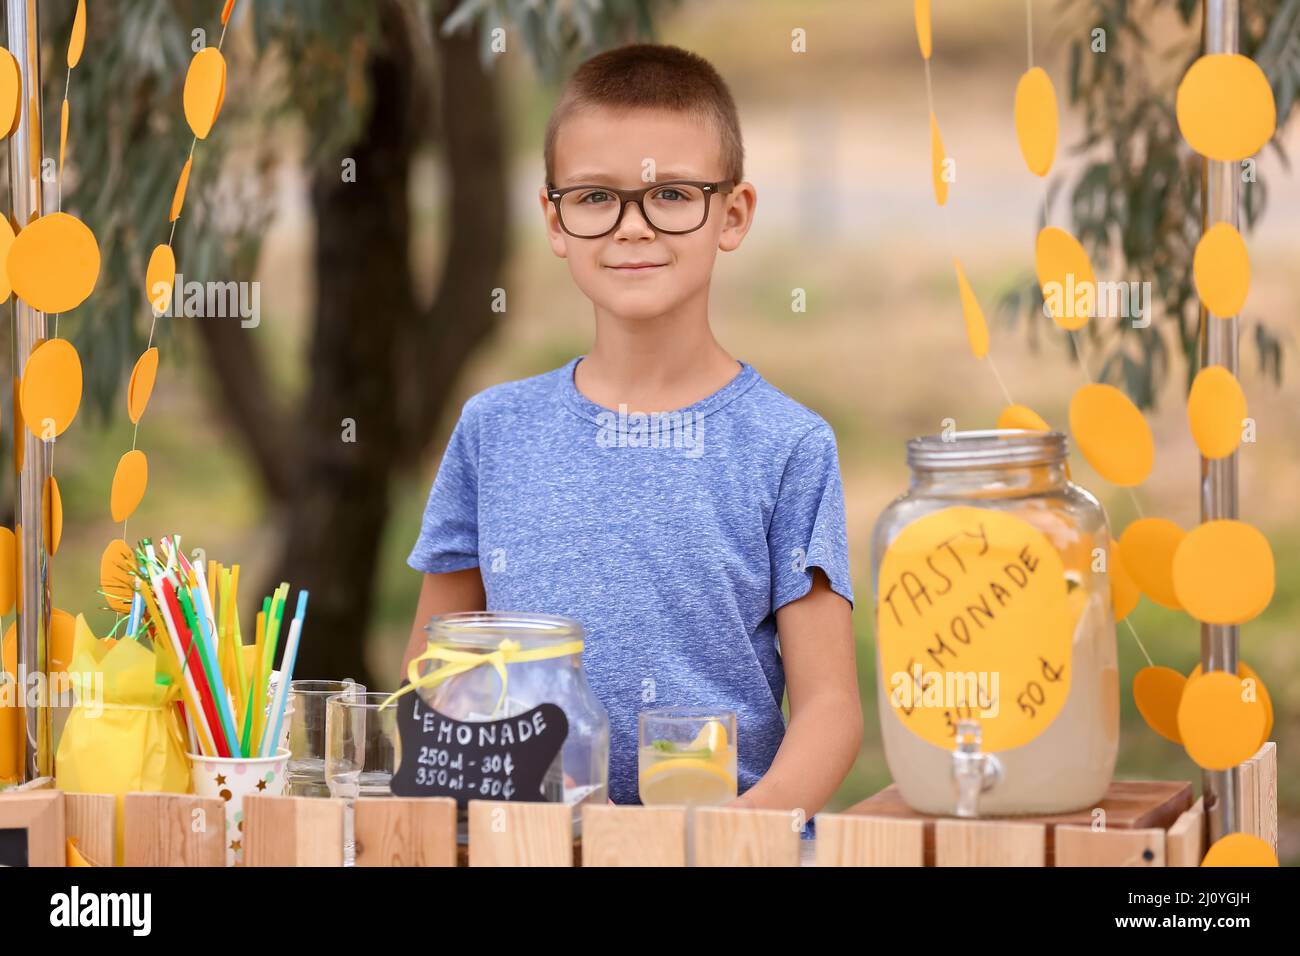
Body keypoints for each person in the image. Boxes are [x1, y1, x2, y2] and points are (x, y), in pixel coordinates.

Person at [403, 43, 860, 829]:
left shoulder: (789, 446)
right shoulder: (494, 430)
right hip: (527, 845)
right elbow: (432, 671)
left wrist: (732, 839)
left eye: (673, 194)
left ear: (734, 214)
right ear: (554, 218)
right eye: (595, 198)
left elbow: (831, 709)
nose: (632, 228)